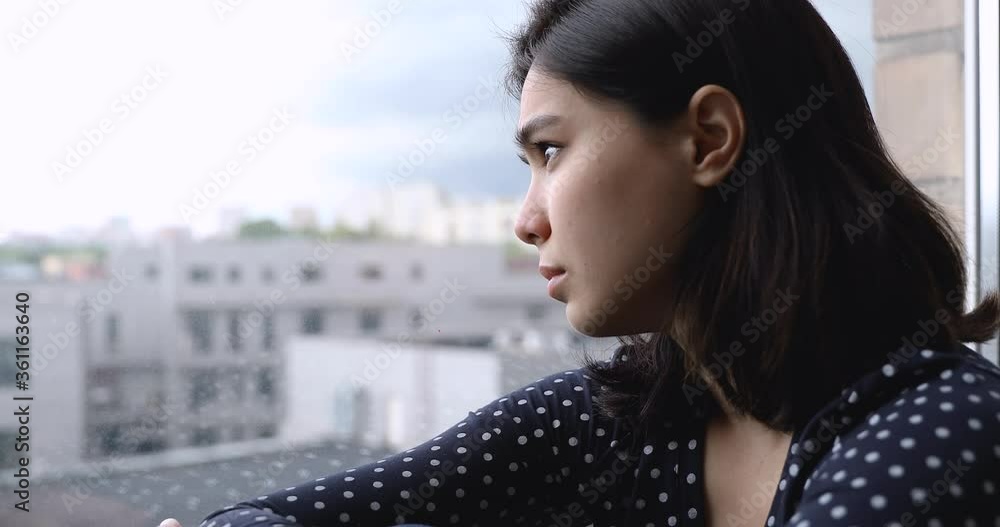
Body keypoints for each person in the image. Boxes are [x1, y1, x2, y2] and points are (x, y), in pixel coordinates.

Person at [160, 0, 1000, 525]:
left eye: (551, 151)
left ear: (709, 138)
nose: (528, 221)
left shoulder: (946, 433)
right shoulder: (627, 418)